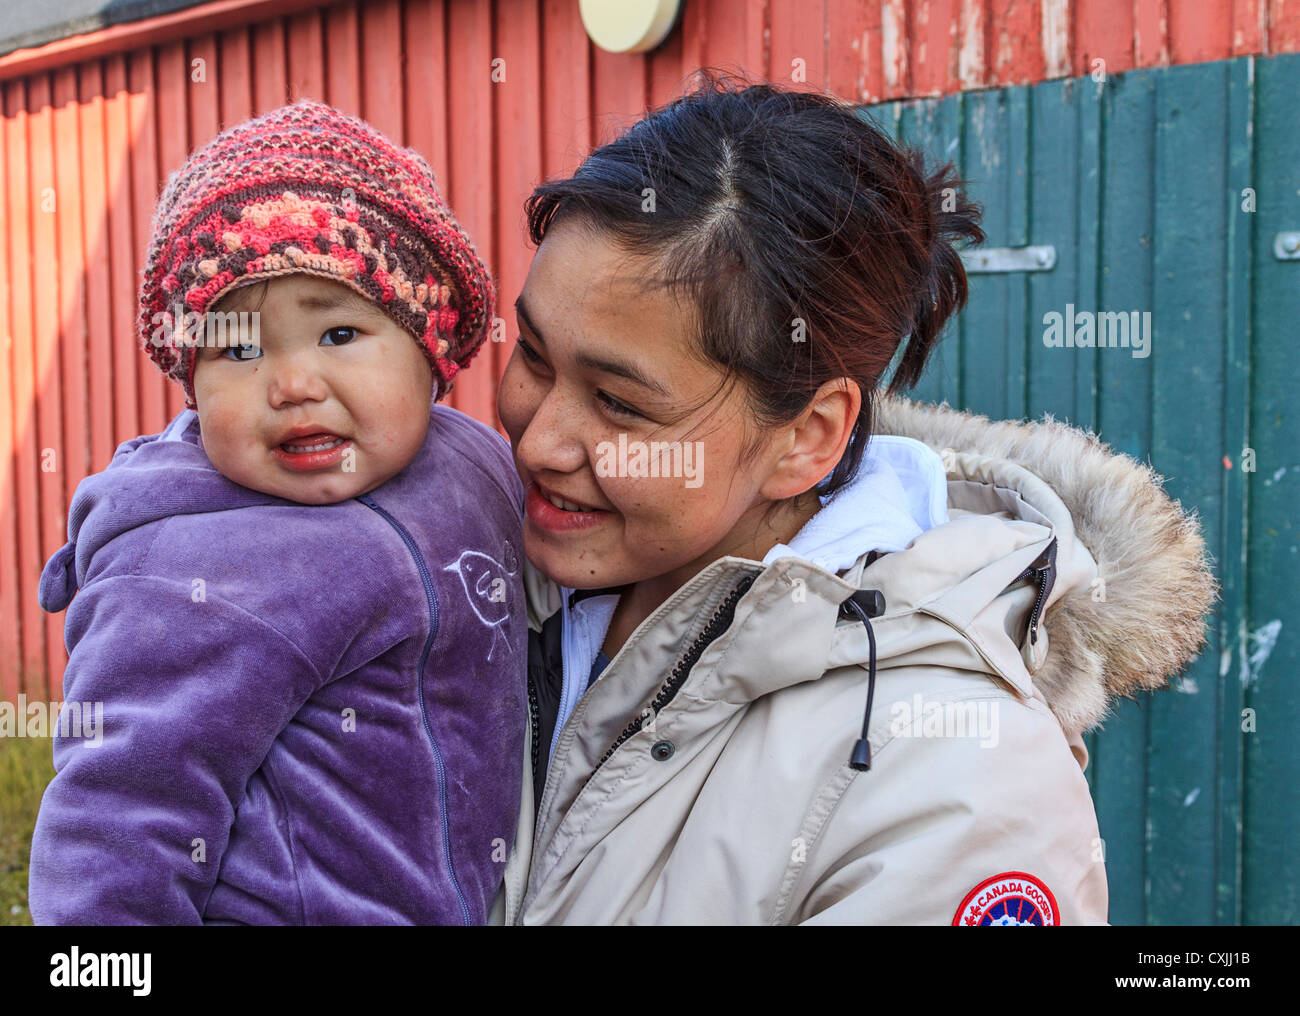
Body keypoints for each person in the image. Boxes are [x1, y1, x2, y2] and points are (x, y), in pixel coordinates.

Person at [489, 75, 1217, 925]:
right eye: (535, 355)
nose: (536, 440)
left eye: (621, 405)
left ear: (807, 436)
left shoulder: (958, 789)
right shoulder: (462, 574)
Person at [30, 100, 526, 925]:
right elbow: (118, 818)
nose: (291, 384)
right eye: (239, 348)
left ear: (428, 352)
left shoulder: (474, 468)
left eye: (337, 333)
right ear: (192, 380)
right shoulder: (191, 567)